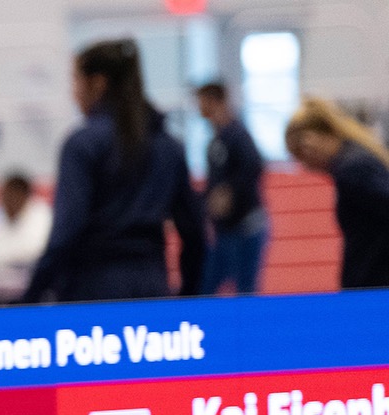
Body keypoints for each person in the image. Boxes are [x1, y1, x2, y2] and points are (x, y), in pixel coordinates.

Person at [21, 39, 204, 303]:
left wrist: (31, 296)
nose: (73, 93)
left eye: (75, 80)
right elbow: (195, 234)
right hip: (152, 288)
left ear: (97, 83)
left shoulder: (82, 144)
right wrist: (188, 297)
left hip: (92, 293)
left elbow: (65, 233)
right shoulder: (169, 146)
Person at [284, 98, 389, 290]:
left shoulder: (352, 169)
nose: (306, 166)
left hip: (373, 282)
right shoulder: (355, 160)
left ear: (312, 141)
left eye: (302, 154)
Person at [195, 83, 268, 295]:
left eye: (202, 102)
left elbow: (253, 166)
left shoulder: (237, 135)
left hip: (246, 227)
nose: (199, 108)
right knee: (208, 286)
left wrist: (229, 192)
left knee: (245, 290)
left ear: (214, 101)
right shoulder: (215, 142)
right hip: (226, 230)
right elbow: (213, 185)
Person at [0, 172, 52, 274]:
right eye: (3, 196)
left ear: (23, 195)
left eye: (10, 196)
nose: (5, 201)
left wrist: (0, 260)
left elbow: (37, 251)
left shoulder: (42, 215)